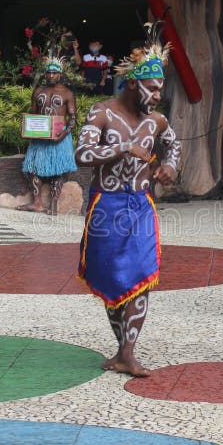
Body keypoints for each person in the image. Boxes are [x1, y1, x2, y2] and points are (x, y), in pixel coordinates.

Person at [76, 22, 181, 377]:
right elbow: (83, 154)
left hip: (141, 206)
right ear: (133, 83)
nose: (157, 96)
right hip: (105, 205)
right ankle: (122, 349)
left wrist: (170, 166)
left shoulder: (157, 120)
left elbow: (174, 145)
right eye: (151, 89)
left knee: (140, 274)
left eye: (160, 89)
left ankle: (128, 351)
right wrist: (122, 146)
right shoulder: (101, 112)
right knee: (111, 278)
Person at [18, 55, 77, 214]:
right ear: (45, 74)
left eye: (55, 73)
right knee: (31, 169)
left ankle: (54, 205)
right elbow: (33, 114)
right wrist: (29, 130)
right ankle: (36, 203)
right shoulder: (38, 91)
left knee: (60, 170)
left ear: (60, 74)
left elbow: (72, 118)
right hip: (40, 137)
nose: (51, 75)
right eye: (49, 72)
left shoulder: (67, 93)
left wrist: (64, 134)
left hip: (60, 137)